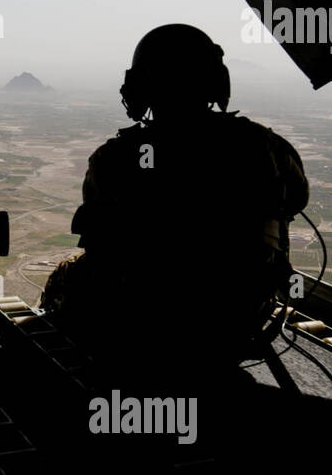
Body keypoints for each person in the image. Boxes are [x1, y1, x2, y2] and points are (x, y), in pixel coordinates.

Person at [40, 24, 309, 367]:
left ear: (140, 87)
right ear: (215, 81)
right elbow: (295, 202)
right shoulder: (266, 147)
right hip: (240, 323)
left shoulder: (115, 159)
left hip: (144, 330)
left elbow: (101, 250)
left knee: (68, 278)